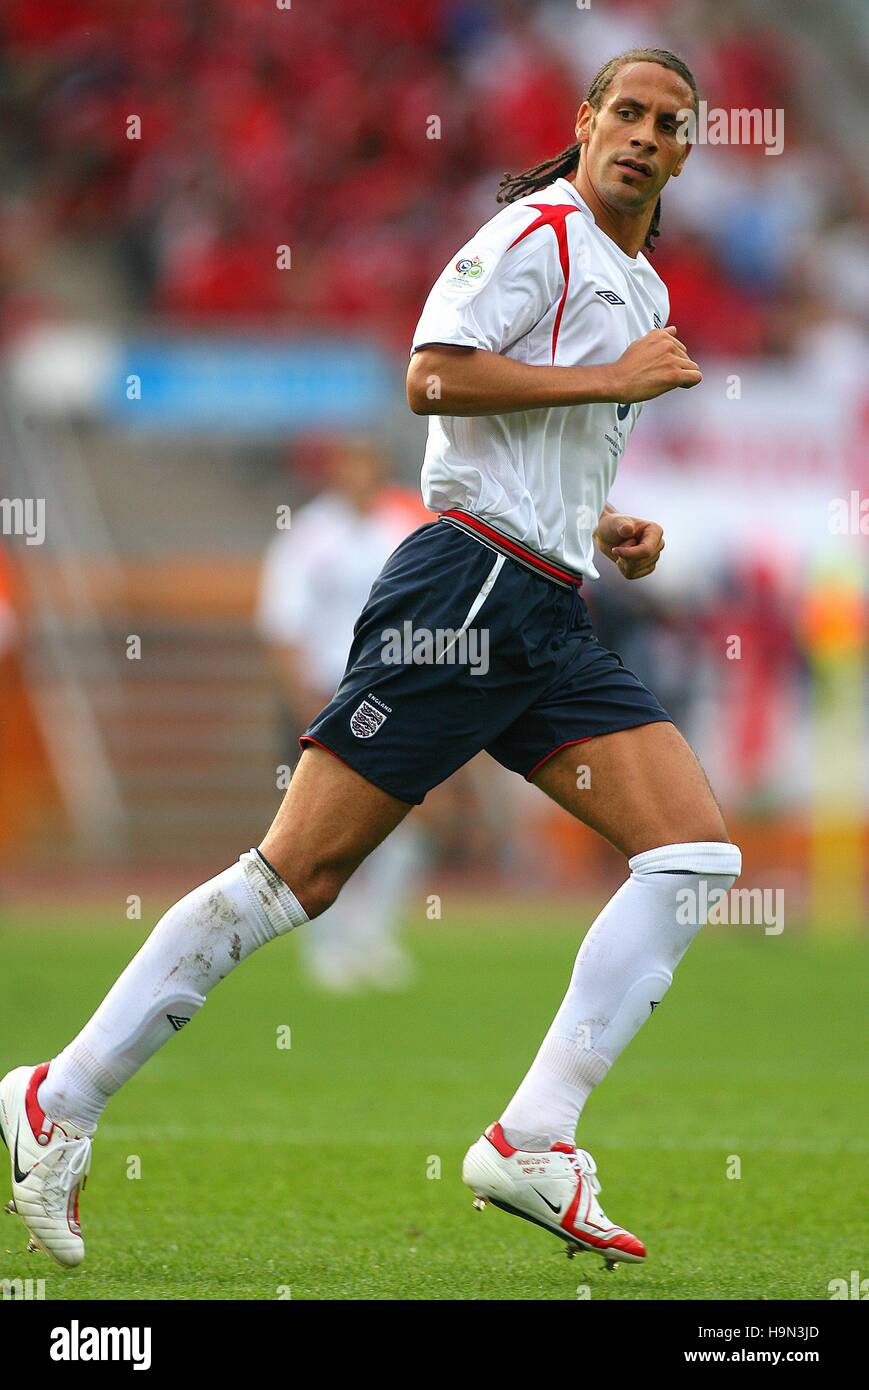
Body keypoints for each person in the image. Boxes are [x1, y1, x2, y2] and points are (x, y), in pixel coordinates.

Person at [1, 49, 740, 1272]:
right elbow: (429, 379)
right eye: (625, 111)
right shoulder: (536, 234)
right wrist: (612, 381)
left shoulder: (641, 285)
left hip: (546, 600)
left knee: (692, 851)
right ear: (583, 121)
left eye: (670, 123)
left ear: (685, 149)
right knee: (298, 874)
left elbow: (544, 447)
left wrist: (604, 527)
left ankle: (533, 1137)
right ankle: (56, 1097)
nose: (645, 134)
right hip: (466, 589)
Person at [256, 438, 429, 990]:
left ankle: (374, 938)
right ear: (335, 470)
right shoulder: (308, 537)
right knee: (316, 827)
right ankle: (324, 949)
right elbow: (283, 624)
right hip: (328, 693)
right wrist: (306, 706)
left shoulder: (399, 530)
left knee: (404, 821)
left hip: (389, 692)